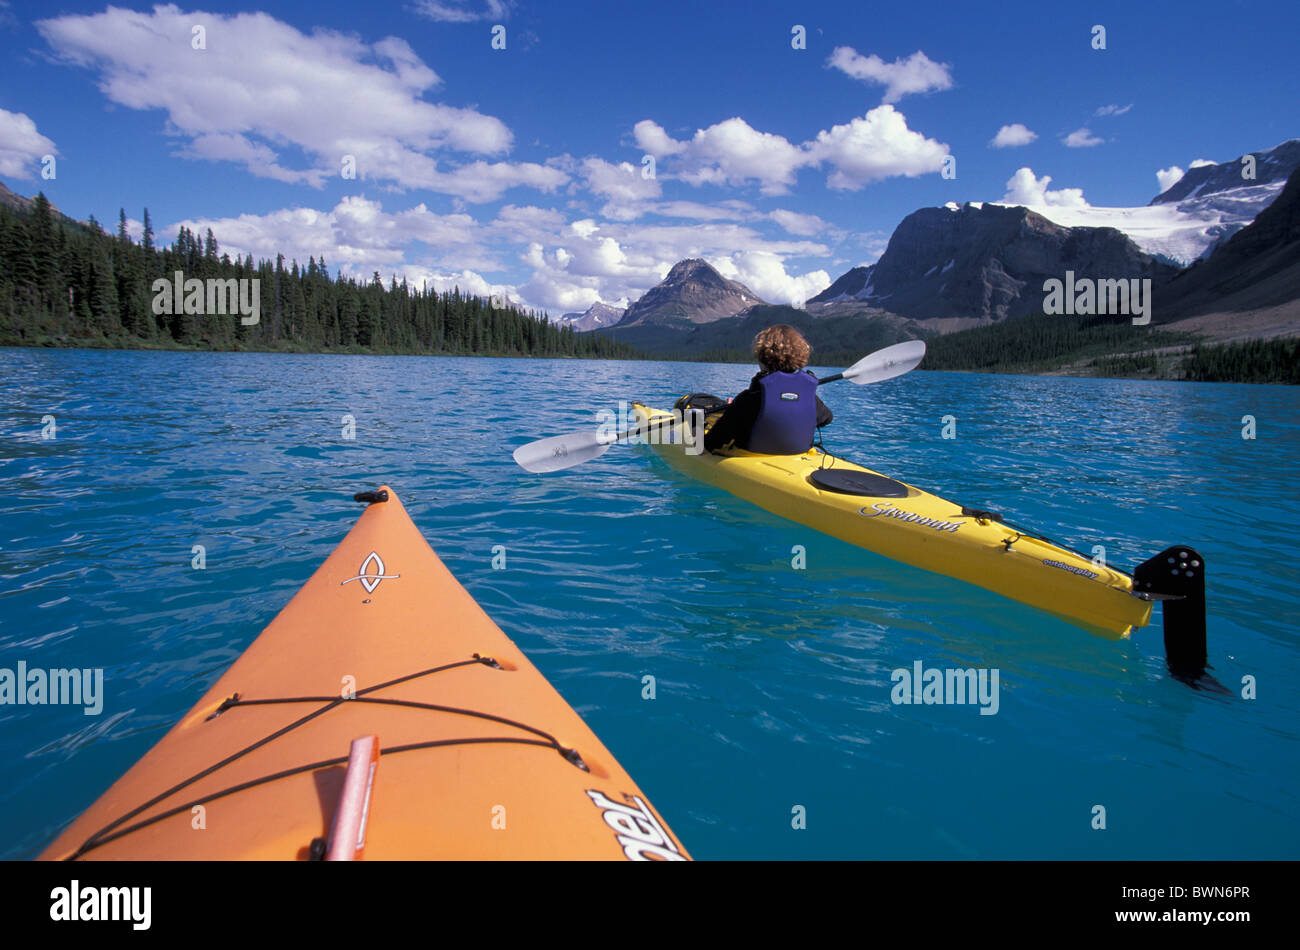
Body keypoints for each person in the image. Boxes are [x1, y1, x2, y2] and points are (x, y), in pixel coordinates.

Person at [702, 325, 832, 454]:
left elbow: (712, 442)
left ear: (762, 357)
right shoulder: (809, 398)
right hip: (797, 456)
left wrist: (732, 410)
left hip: (751, 456)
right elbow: (826, 418)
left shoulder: (749, 399)